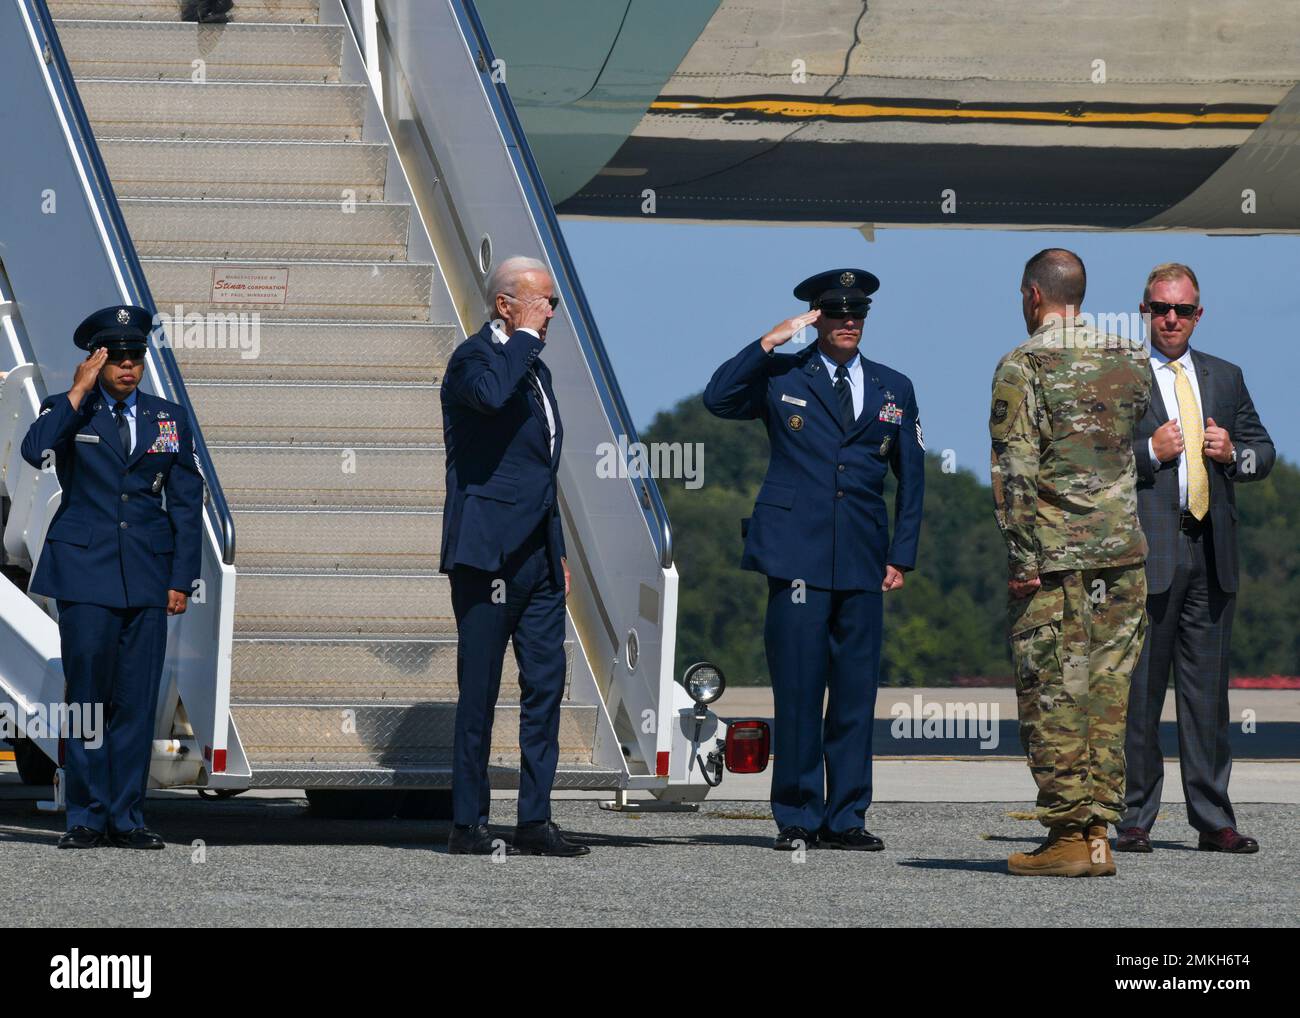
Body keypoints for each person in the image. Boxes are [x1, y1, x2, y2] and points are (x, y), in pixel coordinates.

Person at [703, 268, 924, 851]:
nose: (848, 322)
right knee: (798, 694)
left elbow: (913, 479)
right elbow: (718, 398)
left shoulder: (892, 386)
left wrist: (901, 554)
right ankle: (797, 815)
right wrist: (769, 342)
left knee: (854, 697)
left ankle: (847, 817)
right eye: (835, 313)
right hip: (795, 555)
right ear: (816, 318)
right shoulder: (783, 375)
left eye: (857, 314)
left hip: (862, 558)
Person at [989, 249, 1151, 877]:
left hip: (1055, 560)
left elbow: (1014, 469)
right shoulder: (1129, 356)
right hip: (1123, 556)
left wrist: (1022, 557)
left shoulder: (1023, 364)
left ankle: (1066, 838)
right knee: (1109, 694)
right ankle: (1100, 835)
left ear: (1033, 296)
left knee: (1055, 694)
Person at [21, 305, 203, 849]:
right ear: (95, 361)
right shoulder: (69, 410)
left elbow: (187, 503)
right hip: (84, 574)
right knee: (87, 701)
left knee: (135, 699)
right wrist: (76, 393)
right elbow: (35, 451)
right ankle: (84, 816)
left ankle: (127, 817)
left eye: (136, 356)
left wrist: (180, 577)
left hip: (147, 576)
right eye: (116, 357)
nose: (128, 366)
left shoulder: (167, 417)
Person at [1117, 263, 1275, 855]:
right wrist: (1146, 453)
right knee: (1140, 695)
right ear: (1144, 311)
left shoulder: (1225, 377)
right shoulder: (1121, 378)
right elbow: (1093, 461)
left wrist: (1235, 453)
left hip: (1210, 550)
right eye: (1160, 308)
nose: (1171, 319)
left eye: (1182, 310)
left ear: (1198, 314)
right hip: (1146, 554)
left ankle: (1213, 820)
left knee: (1207, 698)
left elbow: (1266, 450)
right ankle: (1135, 818)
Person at [439, 256, 584, 857]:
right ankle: (468, 821)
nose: (552, 311)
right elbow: (492, 398)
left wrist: (560, 551)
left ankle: (534, 819)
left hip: (539, 559)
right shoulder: (474, 361)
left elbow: (542, 473)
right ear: (505, 305)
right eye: (542, 301)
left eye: (552, 302)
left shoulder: (537, 370)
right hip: (488, 554)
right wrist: (523, 336)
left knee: (546, 686)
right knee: (480, 690)